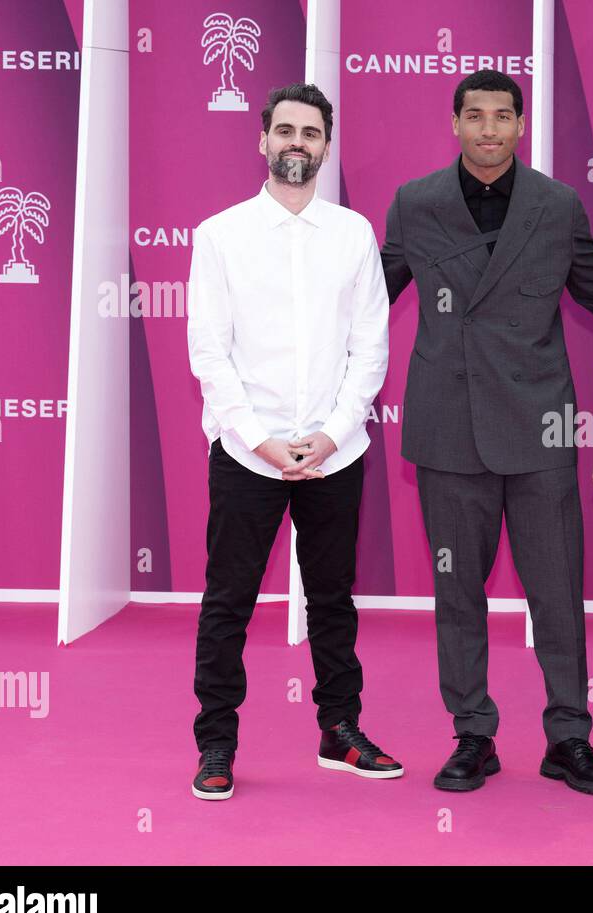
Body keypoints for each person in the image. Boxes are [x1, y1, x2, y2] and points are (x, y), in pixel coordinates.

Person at [380, 69, 593, 794]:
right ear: (455, 123)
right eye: (475, 115)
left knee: (558, 590)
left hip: (539, 425)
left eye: (502, 116)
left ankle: (568, 737)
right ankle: (472, 735)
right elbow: (364, 298)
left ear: (521, 124)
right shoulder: (415, 203)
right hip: (449, 429)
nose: (488, 128)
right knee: (457, 591)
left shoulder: (558, 204)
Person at [186, 83, 395, 800]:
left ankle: (341, 731)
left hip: (336, 452)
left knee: (332, 599)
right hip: (248, 453)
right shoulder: (220, 235)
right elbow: (209, 354)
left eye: (310, 132)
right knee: (229, 601)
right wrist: (259, 440)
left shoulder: (353, 234)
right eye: (285, 131)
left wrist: (332, 435)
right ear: (263, 141)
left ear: (326, 147)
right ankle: (216, 744)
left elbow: (371, 348)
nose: (296, 143)